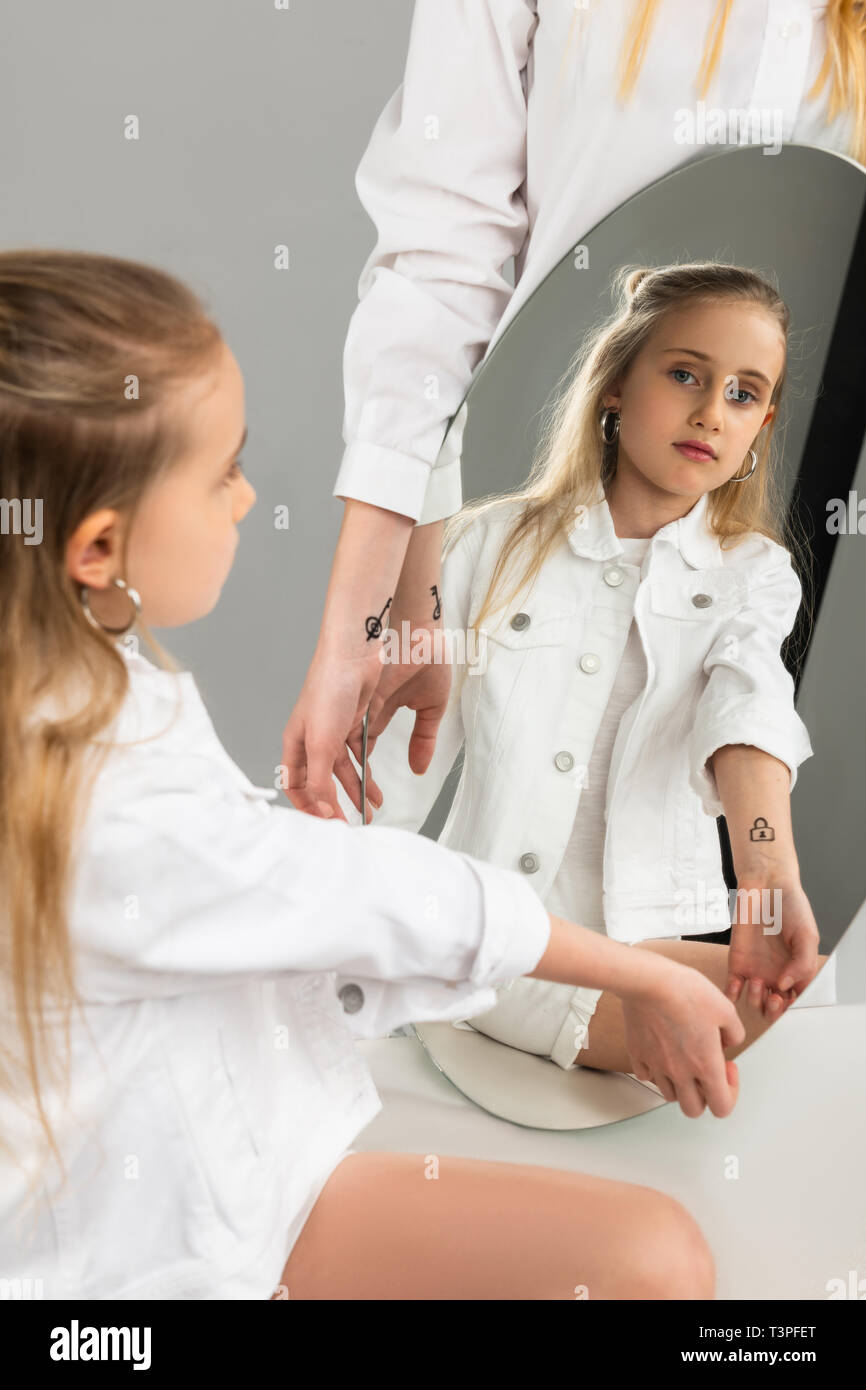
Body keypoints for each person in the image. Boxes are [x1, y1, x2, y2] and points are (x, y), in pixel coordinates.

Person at [0, 248, 745, 1301]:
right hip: (173, 1262)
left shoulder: (86, 691)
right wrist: (633, 970)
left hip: (241, 1192)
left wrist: (287, 846)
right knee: (656, 1265)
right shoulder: (87, 785)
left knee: (657, 1256)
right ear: (96, 547)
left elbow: (231, 891)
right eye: (221, 472)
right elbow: (359, 896)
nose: (250, 496)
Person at [282, 0, 865, 823]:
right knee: (403, 900)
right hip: (505, 540)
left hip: (792, 581)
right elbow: (440, 266)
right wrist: (372, 610)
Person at [331, 261, 830, 1072]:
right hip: (498, 946)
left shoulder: (757, 574)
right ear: (615, 385)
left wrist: (767, 874)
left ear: (761, 425)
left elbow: (748, 714)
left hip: (659, 941)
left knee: (819, 1022)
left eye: (742, 394)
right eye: (683, 375)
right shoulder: (483, 548)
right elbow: (390, 778)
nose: (711, 412)